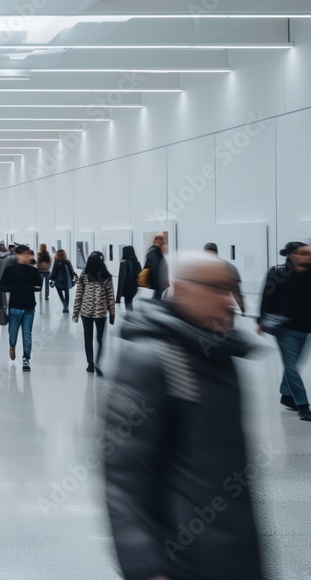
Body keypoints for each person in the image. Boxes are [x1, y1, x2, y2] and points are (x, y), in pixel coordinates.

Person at [105, 252, 265, 579]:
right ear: (180, 288)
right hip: (182, 557)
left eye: (233, 288)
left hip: (234, 551)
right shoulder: (150, 358)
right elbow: (124, 475)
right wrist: (147, 566)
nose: (229, 300)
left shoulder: (220, 353)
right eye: (216, 288)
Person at [258, 241, 311, 421]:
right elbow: (267, 295)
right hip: (284, 327)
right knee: (290, 366)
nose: (306, 257)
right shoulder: (278, 272)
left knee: (294, 365)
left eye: (308, 253)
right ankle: (303, 406)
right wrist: (260, 319)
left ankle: (286, 395)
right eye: (302, 253)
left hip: (306, 326)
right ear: (291, 255)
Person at [72, 252, 116, 375]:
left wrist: (75, 312)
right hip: (100, 313)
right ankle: (97, 362)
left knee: (88, 338)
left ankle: (90, 364)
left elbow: (79, 295)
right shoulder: (106, 276)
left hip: (86, 312)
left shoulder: (84, 275)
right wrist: (112, 314)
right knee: (100, 340)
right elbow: (110, 297)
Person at [0, 245, 41, 372]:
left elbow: (39, 287)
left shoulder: (33, 270)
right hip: (15, 307)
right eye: (24, 254)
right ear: (18, 255)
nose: (27, 256)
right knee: (13, 334)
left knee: (27, 334)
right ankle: (12, 346)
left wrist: (23, 288)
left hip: (29, 307)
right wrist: (22, 288)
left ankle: (26, 359)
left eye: (28, 254)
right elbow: (2, 286)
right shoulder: (11, 269)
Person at [204, 242, 245, 314]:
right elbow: (236, 291)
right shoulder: (229, 267)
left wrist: (242, 308)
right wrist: (243, 309)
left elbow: (236, 291)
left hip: (213, 309)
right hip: (221, 309)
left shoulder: (200, 268)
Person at [49, 249, 77, 313]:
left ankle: (64, 305)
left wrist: (51, 279)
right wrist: (72, 278)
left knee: (60, 293)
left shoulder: (57, 262)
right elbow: (71, 271)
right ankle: (66, 307)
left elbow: (54, 272)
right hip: (67, 280)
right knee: (67, 293)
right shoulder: (67, 261)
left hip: (59, 280)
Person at [144, 234, 170, 300]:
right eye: (163, 244)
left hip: (159, 282)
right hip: (158, 282)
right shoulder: (154, 252)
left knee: (157, 298)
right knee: (157, 298)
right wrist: (160, 283)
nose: (164, 247)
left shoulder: (156, 251)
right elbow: (155, 269)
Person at [116, 245, 142, 311]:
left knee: (128, 307)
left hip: (127, 288)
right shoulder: (137, 262)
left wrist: (118, 298)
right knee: (131, 305)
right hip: (135, 288)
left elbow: (121, 280)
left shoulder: (123, 263)